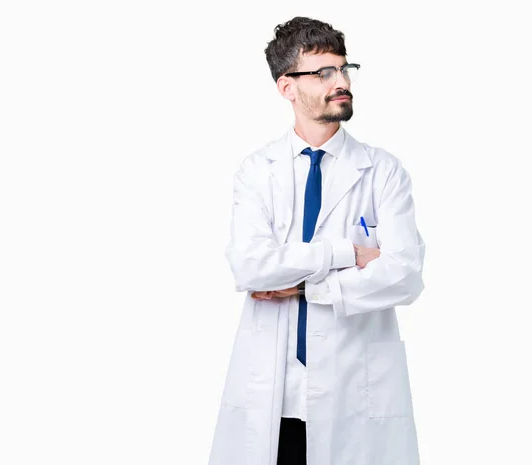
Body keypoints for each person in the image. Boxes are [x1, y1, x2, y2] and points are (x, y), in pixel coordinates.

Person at [208, 16, 426, 465]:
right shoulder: (256, 171)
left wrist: (308, 287)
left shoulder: (382, 171)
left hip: (356, 391)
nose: (341, 82)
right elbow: (250, 267)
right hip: (276, 390)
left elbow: (404, 274)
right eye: (324, 73)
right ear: (288, 87)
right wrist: (345, 253)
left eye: (344, 70)